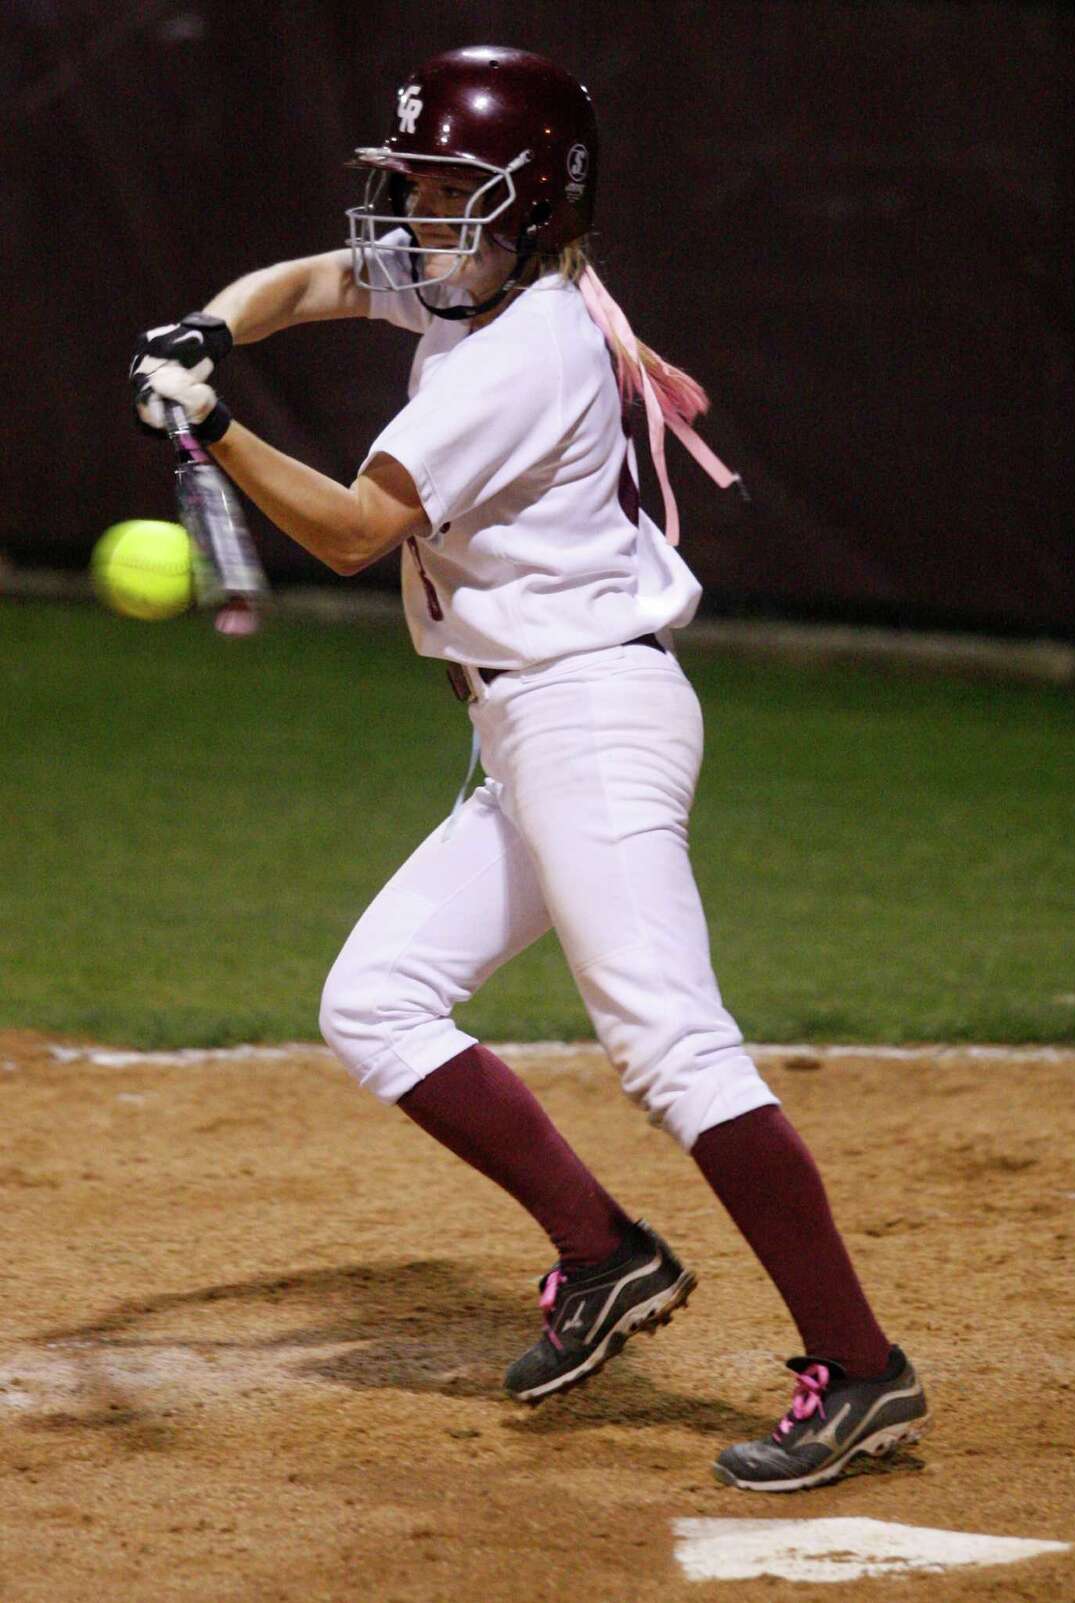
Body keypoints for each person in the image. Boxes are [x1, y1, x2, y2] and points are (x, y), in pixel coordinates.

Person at [130, 44, 928, 1492]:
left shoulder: (522, 349)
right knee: (376, 1001)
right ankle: (606, 1253)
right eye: (416, 184)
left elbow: (358, 534)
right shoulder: (472, 276)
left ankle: (861, 1368)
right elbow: (306, 282)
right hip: (522, 721)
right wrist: (205, 332)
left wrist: (220, 427)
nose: (413, 217)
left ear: (530, 206)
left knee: (672, 1044)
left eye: (447, 191)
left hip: (591, 717)